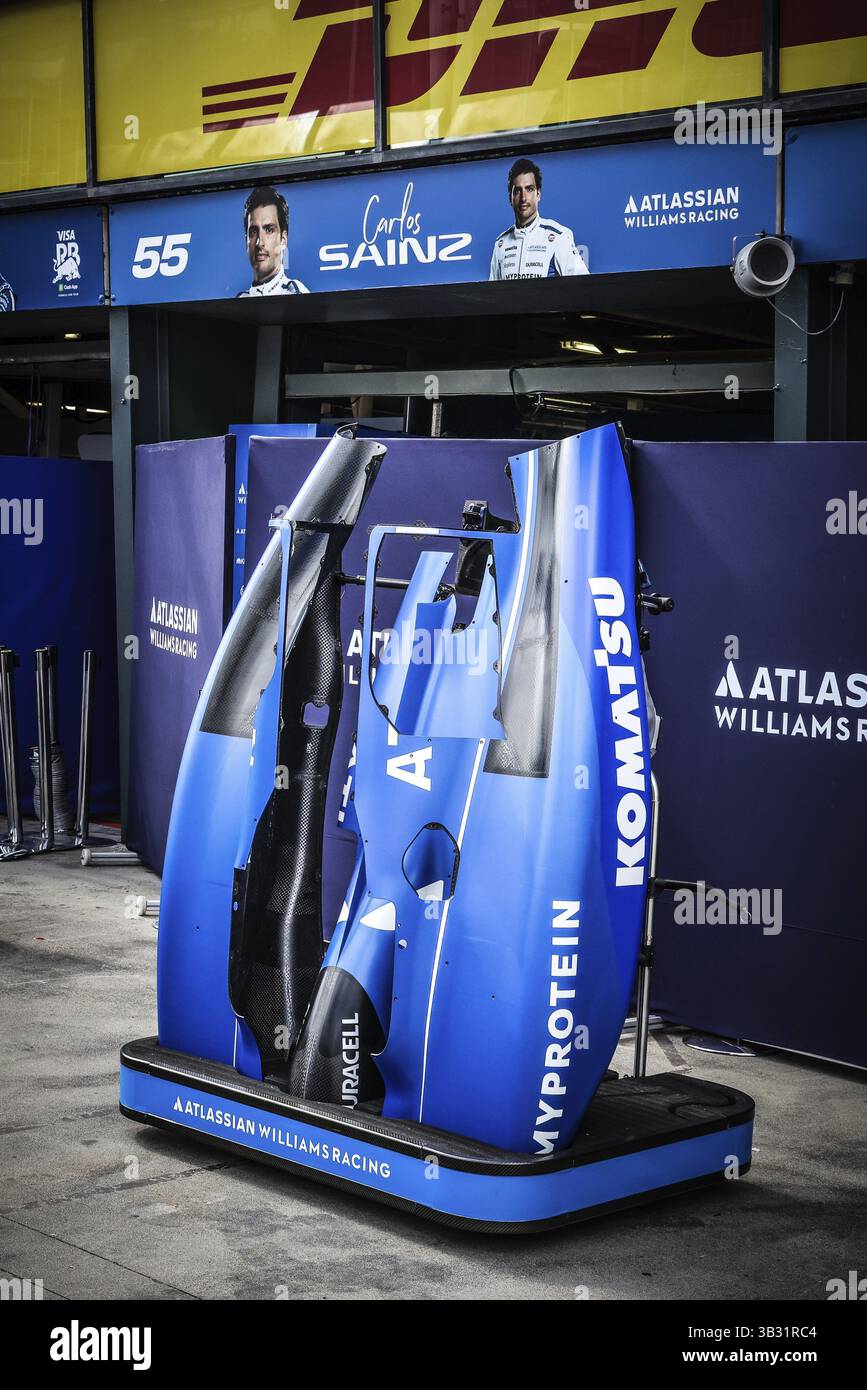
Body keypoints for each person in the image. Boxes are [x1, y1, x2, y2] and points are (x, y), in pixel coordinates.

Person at [490, 158, 588, 280]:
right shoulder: (501, 244)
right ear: (510, 197)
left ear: (538, 194)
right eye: (517, 191)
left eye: (529, 189)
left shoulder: (558, 236)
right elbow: (493, 295)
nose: (523, 198)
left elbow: (583, 288)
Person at [238, 186, 308, 296]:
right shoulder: (240, 301)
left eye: (269, 230)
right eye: (253, 232)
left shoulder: (296, 294)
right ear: (246, 240)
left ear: (283, 239)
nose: (259, 242)